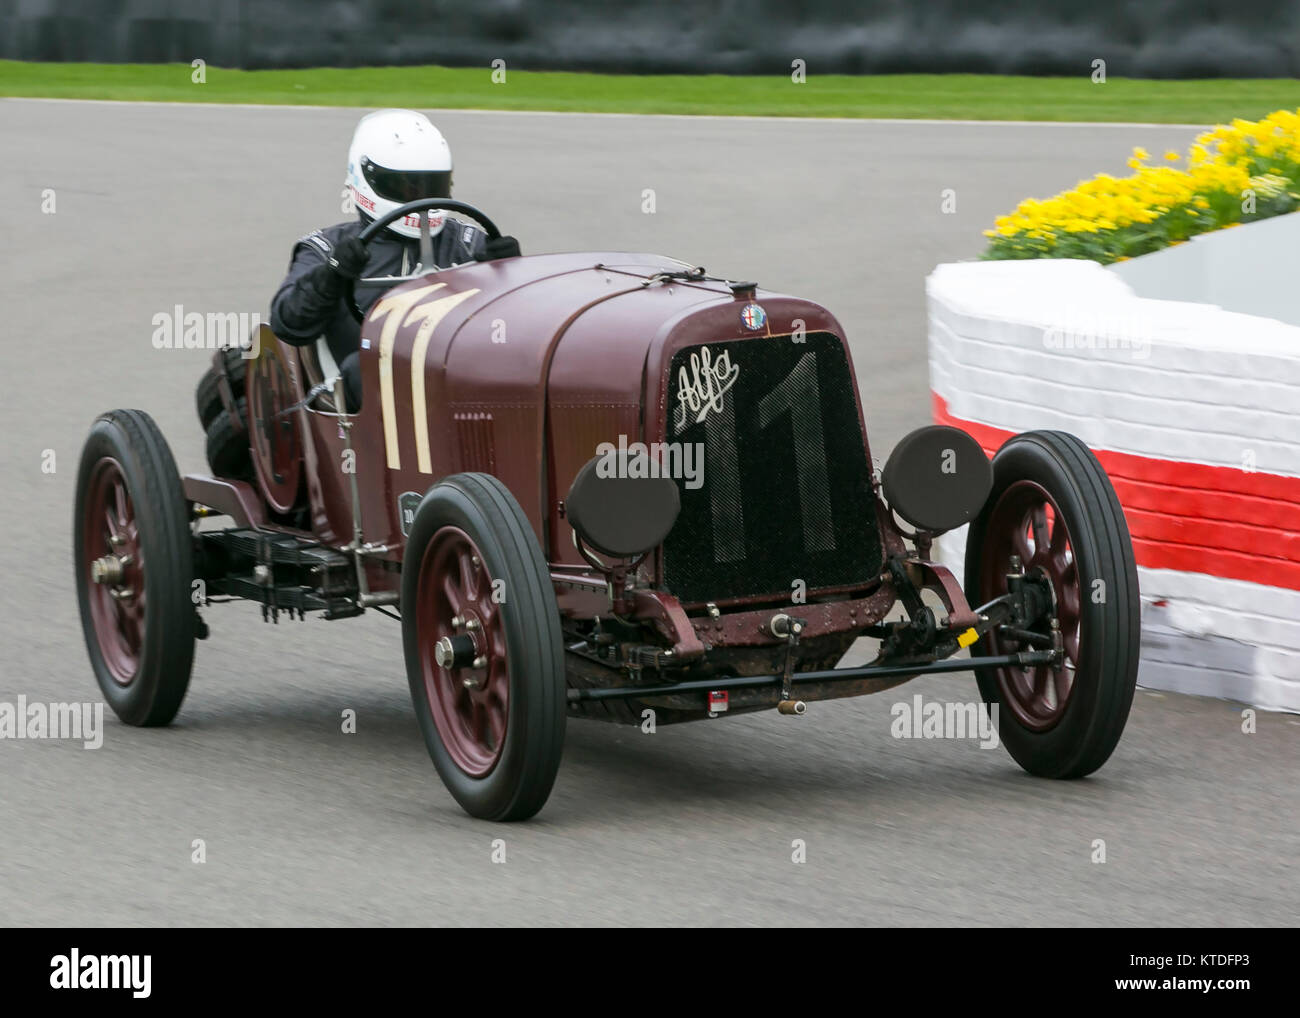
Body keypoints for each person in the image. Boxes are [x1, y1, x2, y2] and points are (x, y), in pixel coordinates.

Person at [269, 109, 519, 410]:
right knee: (364, 369)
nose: (421, 197)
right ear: (365, 180)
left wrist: (510, 277)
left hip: (459, 386)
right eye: (404, 186)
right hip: (366, 401)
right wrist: (332, 275)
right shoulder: (325, 248)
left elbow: (515, 335)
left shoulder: (471, 244)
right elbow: (289, 325)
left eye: (431, 186)